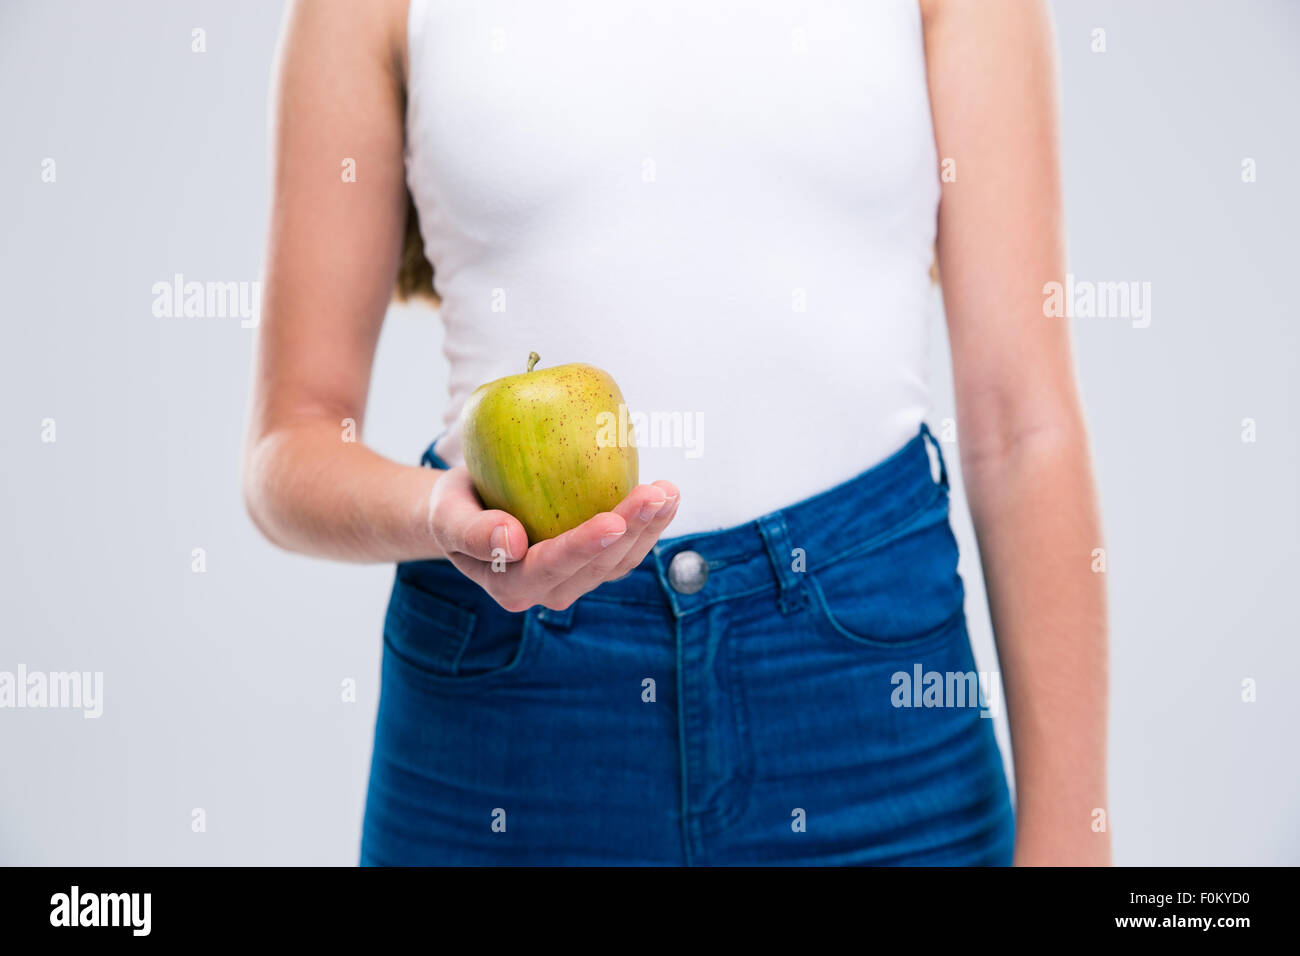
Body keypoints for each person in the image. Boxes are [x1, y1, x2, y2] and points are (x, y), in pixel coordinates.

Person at [243, 0, 1109, 865]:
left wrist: (1074, 843)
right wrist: (440, 515)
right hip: (503, 709)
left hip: (871, 690)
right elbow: (291, 444)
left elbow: (1022, 427)